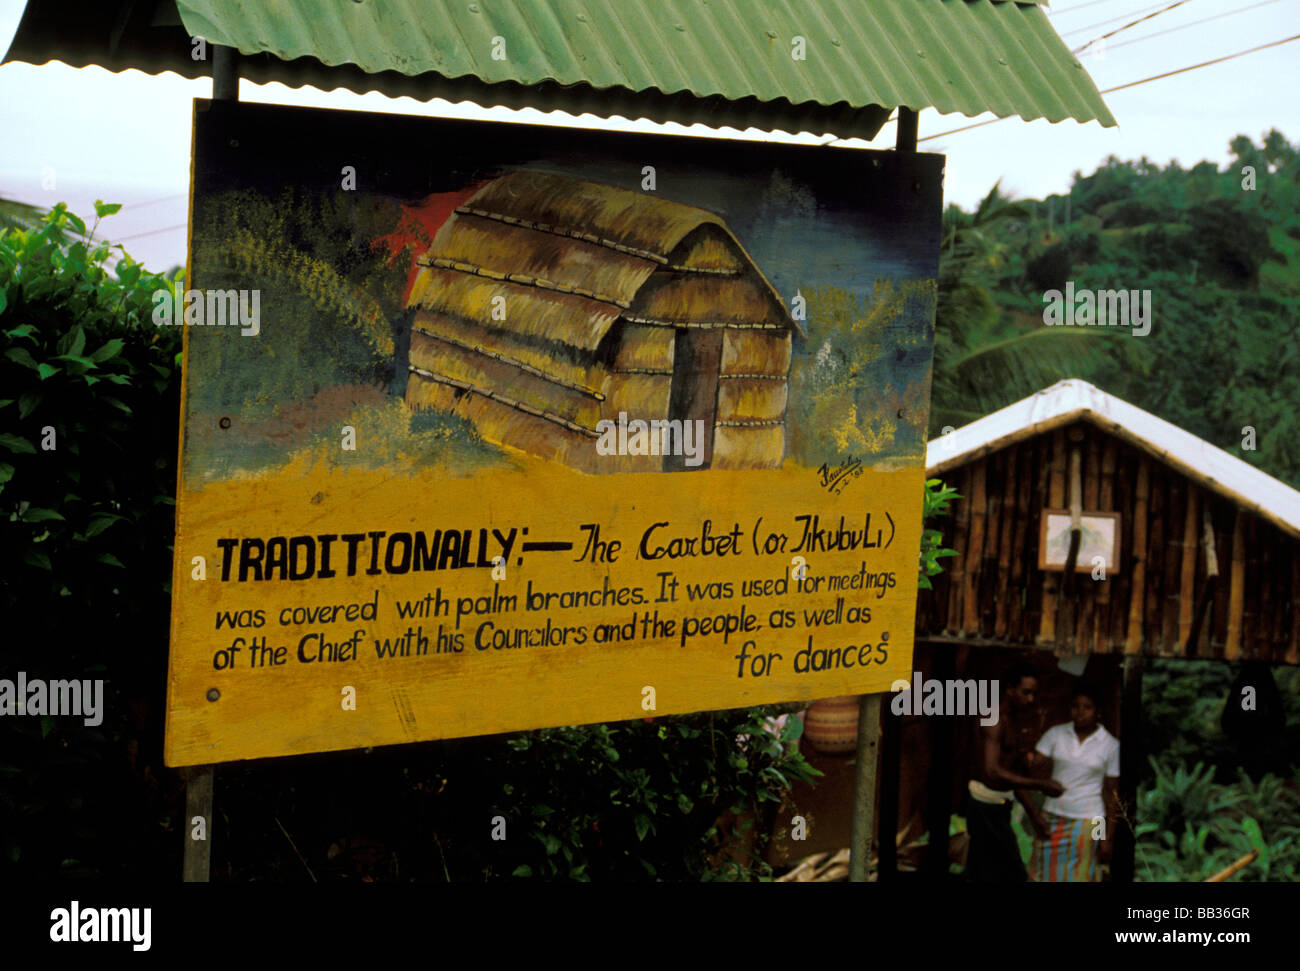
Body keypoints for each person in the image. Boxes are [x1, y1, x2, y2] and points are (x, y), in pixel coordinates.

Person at [964, 661, 1065, 882]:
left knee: (982, 871)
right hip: (984, 806)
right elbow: (992, 771)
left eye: (1034, 694)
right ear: (1010, 689)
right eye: (1026, 692)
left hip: (1000, 806)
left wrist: (1034, 814)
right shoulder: (993, 717)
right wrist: (1041, 785)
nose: (1031, 699)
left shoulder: (1014, 720)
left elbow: (1012, 775)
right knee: (1013, 872)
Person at [1024, 683, 1120, 882]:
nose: (1080, 712)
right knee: (1042, 873)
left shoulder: (1110, 745)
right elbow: (1031, 767)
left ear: (1098, 712)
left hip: (1091, 820)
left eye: (1087, 707)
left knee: (1083, 874)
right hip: (1052, 815)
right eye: (1075, 706)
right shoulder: (1056, 733)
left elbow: (1111, 795)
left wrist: (1105, 838)